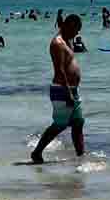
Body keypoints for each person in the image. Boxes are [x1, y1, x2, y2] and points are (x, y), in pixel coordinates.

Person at [31, 14, 85, 164]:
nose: (77, 34)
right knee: (60, 124)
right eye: (76, 30)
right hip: (62, 89)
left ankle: (81, 157)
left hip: (72, 89)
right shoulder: (57, 43)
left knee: (78, 123)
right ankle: (37, 152)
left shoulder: (67, 40)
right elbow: (59, 70)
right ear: (69, 26)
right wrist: (68, 93)